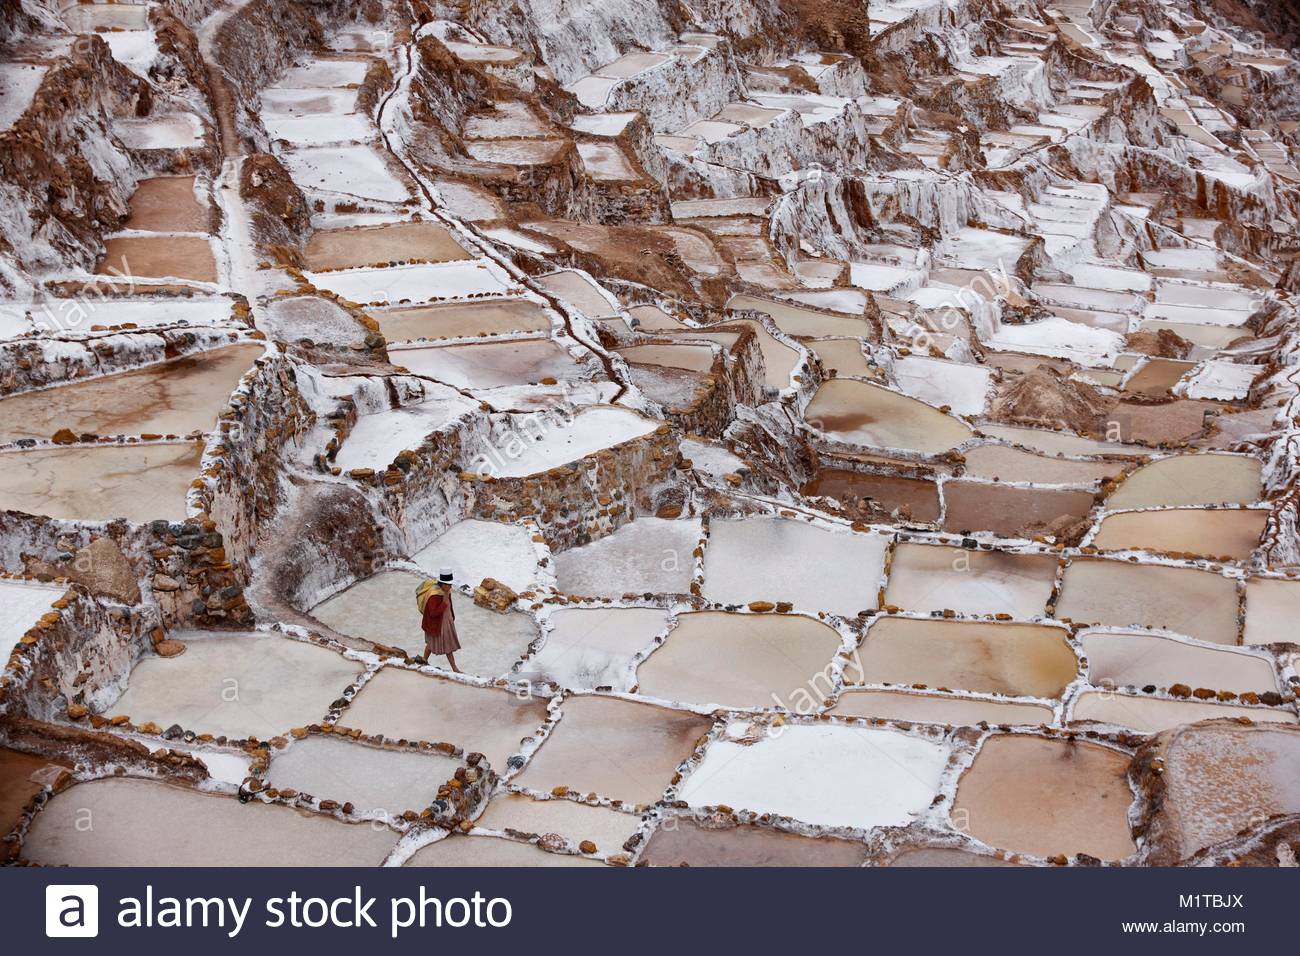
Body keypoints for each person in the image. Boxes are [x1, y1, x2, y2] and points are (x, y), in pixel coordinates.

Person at [416, 568, 461, 673]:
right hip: (437, 624)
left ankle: (454, 668)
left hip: (446, 623)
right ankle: (425, 660)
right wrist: (444, 604)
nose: (450, 587)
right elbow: (433, 613)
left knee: (445, 646)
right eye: (449, 584)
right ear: (443, 584)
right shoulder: (434, 595)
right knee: (432, 645)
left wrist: (452, 617)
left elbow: (449, 605)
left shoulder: (447, 591)